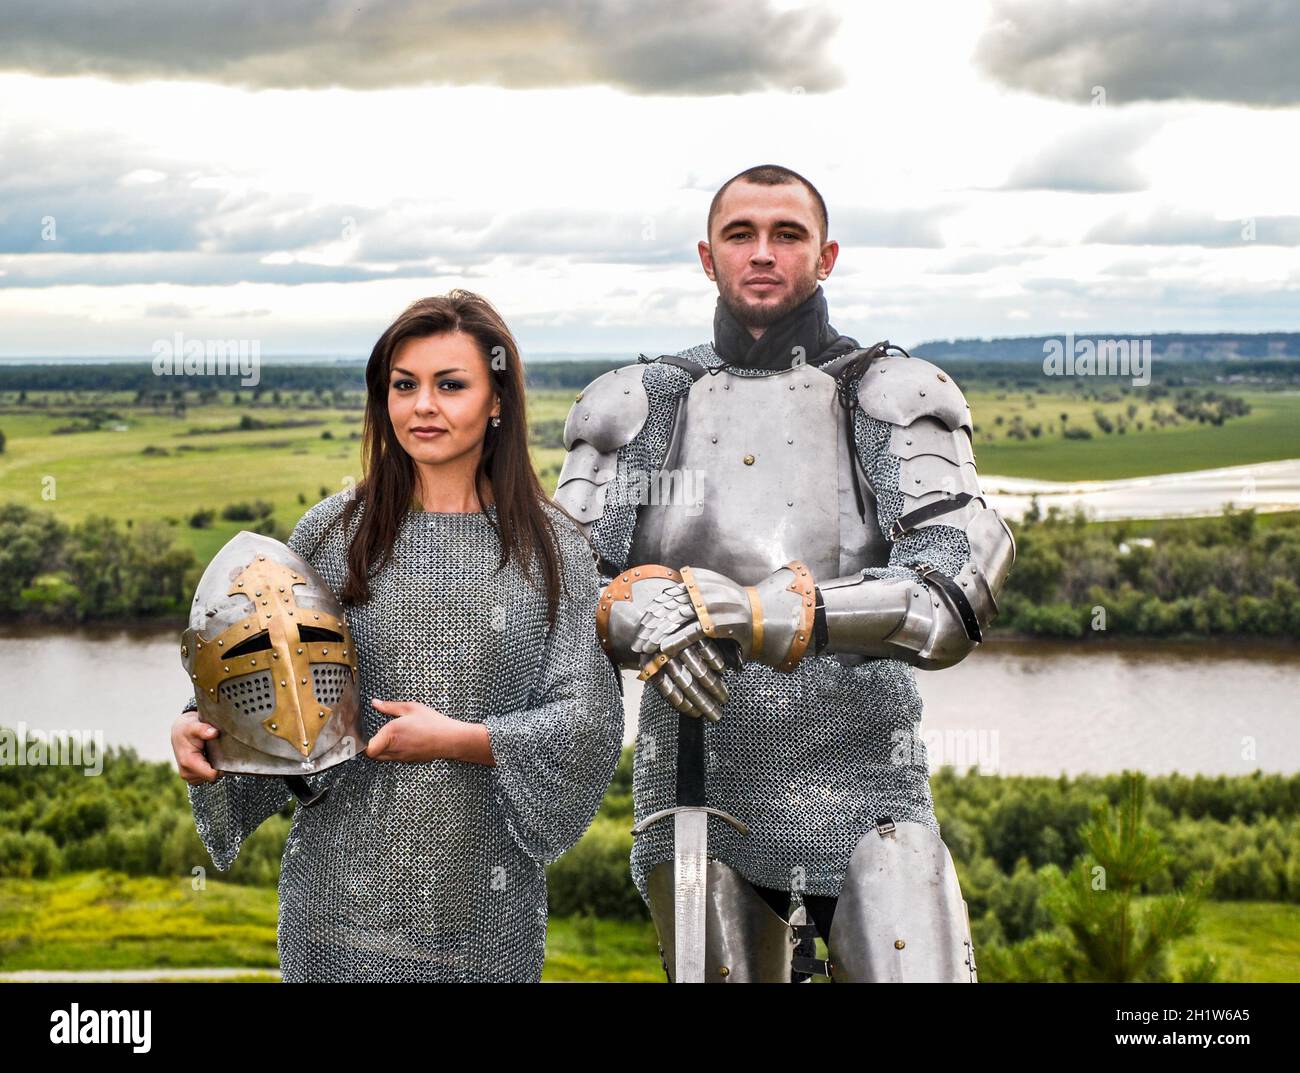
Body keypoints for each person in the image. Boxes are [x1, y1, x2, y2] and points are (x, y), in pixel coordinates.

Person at [554, 165, 1015, 982]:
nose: (762, 253)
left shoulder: (885, 393)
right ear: (708, 256)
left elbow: (952, 596)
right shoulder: (644, 401)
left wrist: (771, 611)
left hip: (870, 798)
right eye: (741, 234)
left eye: (787, 234)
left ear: (826, 254)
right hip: (699, 797)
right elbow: (557, 591)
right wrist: (643, 607)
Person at [171, 290, 624, 982]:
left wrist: (460, 739)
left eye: (451, 385)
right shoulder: (330, 533)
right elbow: (272, 687)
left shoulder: (550, 545)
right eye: (403, 385)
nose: (422, 406)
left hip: (483, 910)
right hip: (335, 907)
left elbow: (586, 722)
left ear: (497, 399)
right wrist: (200, 734)